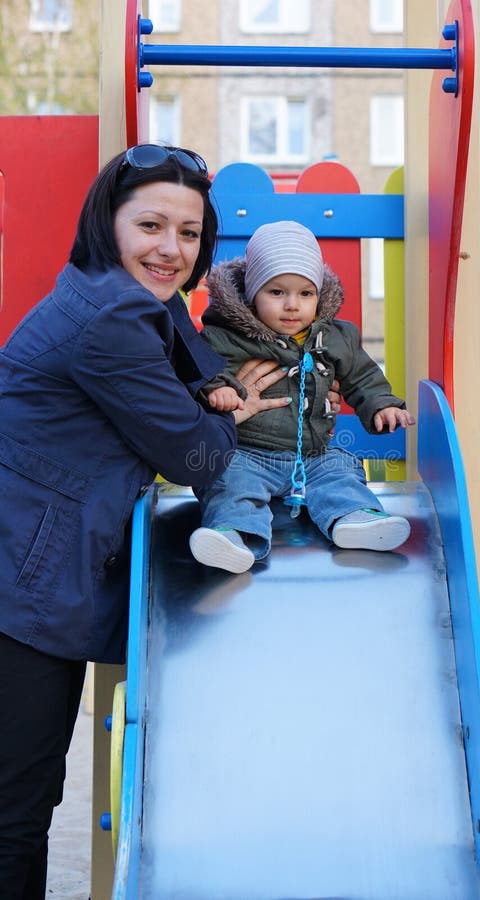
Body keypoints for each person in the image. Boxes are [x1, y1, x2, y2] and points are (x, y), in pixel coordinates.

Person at [0, 143, 291, 899]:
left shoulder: (127, 295)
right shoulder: (110, 317)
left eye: (189, 234)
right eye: (152, 225)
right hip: (17, 583)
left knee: (23, 800)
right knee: (16, 808)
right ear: (109, 221)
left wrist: (220, 385)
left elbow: (196, 359)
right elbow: (194, 458)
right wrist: (234, 418)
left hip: (31, 565)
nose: (170, 249)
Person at [189, 219, 416, 575]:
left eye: (305, 293)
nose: (292, 305)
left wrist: (382, 404)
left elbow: (362, 376)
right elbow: (204, 366)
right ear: (252, 294)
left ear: (319, 295)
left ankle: (353, 519)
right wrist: (217, 389)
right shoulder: (227, 335)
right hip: (248, 452)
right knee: (228, 480)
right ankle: (234, 537)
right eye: (277, 293)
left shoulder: (335, 338)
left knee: (341, 470)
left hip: (313, 456)